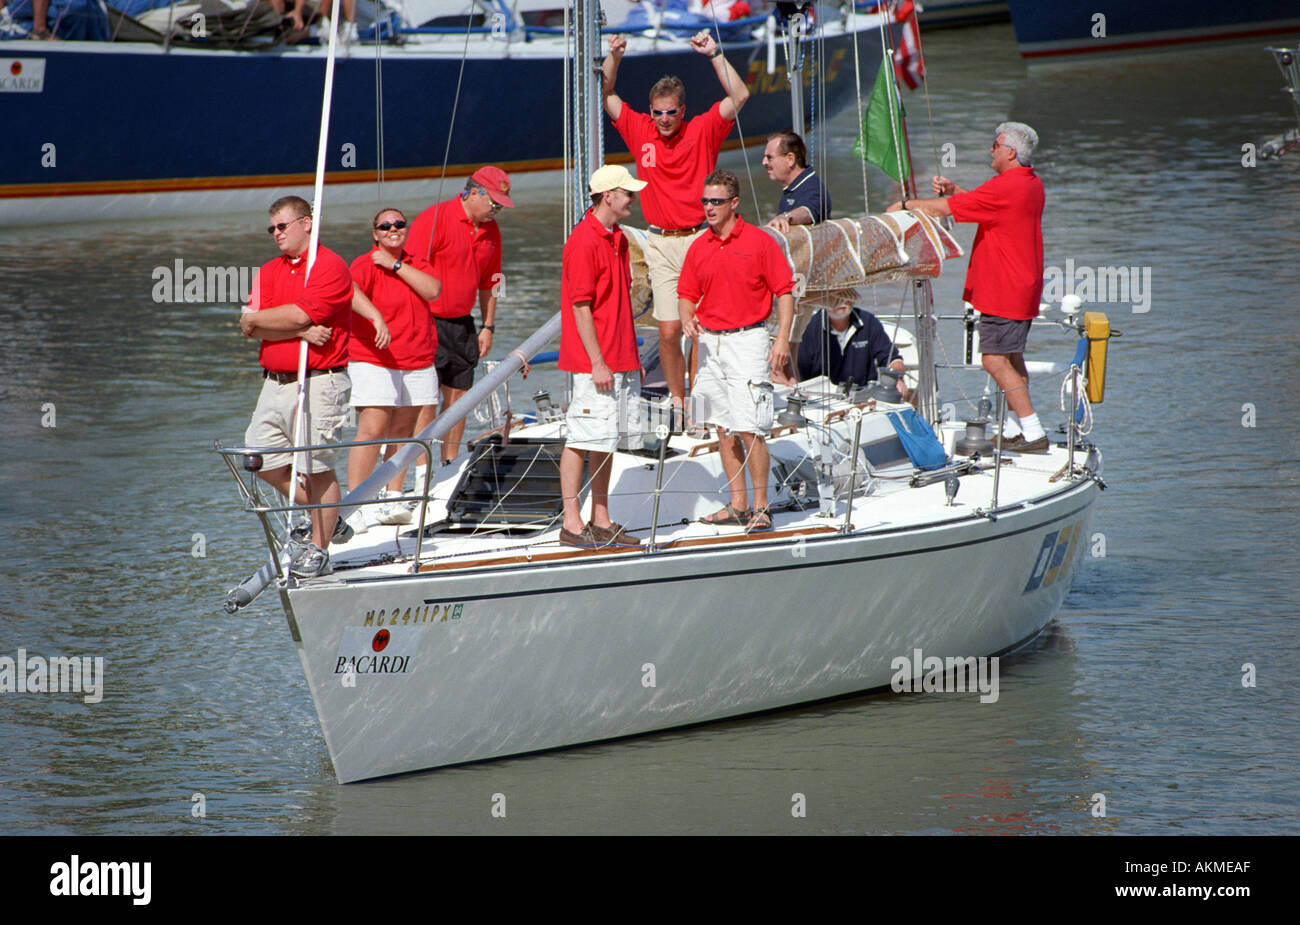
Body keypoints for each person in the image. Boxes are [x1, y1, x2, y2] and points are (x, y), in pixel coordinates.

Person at [602, 30, 750, 425]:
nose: (664, 120)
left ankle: (701, 403)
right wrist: (614, 55)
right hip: (660, 242)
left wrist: (715, 54)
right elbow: (606, 96)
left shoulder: (702, 129)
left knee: (698, 329)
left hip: (700, 238)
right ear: (650, 112)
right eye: (658, 112)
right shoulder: (640, 131)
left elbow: (740, 96)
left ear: (682, 110)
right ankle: (680, 401)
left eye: (671, 112)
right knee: (668, 331)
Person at [238, 195, 386, 578]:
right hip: (274, 383)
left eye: (282, 226)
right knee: (260, 461)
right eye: (271, 228)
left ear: (306, 223)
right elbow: (247, 323)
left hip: (320, 381)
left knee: (316, 466)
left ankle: (318, 550)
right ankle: (328, 515)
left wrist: (278, 321)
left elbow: (296, 313)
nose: (276, 234)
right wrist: (298, 329)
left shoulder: (329, 267)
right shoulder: (269, 270)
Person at [887, 121, 1048, 452]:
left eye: (996, 144)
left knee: (993, 360)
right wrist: (957, 190)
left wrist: (905, 207)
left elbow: (946, 210)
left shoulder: (1005, 188)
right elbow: (980, 204)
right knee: (1011, 359)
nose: (991, 149)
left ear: (1010, 152)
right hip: (1020, 286)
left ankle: (1033, 432)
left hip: (1005, 289)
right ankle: (1013, 428)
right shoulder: (1029, 184)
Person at [678, 170, 795, 533]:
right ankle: (738, 503)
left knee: (751, 428)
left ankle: (762, 506)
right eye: (705, 201)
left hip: (748, 340)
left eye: (715, 202)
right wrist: (686, 319)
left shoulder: (760, 243)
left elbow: (785, 292)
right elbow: (686, 294)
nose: (708, 208)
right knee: (723, 427)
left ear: (733, 203)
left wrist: (782, 340)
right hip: (710, 344)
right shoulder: (699, 245)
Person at [558, 165, 648, 548]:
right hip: (594, 362)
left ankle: (600, 517)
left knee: (605, 439)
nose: (633, 198)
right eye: (627, 193)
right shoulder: (583, 241)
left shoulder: (619, 239)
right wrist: (597, 362)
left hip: (620, 356)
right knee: (582, 437)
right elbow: (580, 306)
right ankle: (571, 523)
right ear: (608, 196)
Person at [406, 166, 513, 476]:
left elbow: (493, 281)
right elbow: (408, 272)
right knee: (426, 399)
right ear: (474, 192)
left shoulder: (491, 230)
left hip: (463, 323)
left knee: (459, 399)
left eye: (500, 207)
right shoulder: (436, 218)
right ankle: (421, 471)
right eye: (494, 204)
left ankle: (448, 466)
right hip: (427, 321)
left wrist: (488, 326)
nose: (496, 212)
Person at [346, 207, 443, 531]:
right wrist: (376, 316)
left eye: (399, 224)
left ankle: (394, 496)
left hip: (417, 358)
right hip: (374, 357)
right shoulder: (364, 263)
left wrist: (396, 265)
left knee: (405, 430)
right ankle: (354, 504)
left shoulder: (414, 262)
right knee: (372, 428)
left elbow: (433, 290)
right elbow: (347, 291)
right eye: (385, 226)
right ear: (375, 233)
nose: (393, 229)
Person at [797, 293, 909, 400]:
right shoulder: (810, 326)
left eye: (846, 296)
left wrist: (897, 380)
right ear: (823, 300)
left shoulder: (869, 322)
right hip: (819, 398)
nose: (841, 302)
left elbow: (891, 358)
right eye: (835, 297)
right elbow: (799, 369)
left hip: (864, 396)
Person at [763, 131, 831, 234]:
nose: (764, 162)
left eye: (769, 157)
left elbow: (807, 211)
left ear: (790, 159)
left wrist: (786, 217)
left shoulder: (813, 187)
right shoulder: (791, 187)